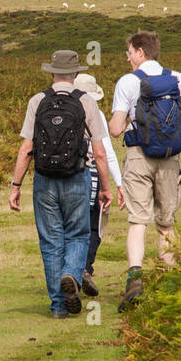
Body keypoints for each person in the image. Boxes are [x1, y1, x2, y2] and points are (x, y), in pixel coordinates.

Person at [9, 50, 112, 318]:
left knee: (51, 241)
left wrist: (15, 185)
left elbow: (26, 148)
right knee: (78, 235)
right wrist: (105, 188)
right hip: (76, 177)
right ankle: (71, 274)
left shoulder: (37, 100)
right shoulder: (87, 101)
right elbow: (100, 153)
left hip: (44, 180)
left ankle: (58, 306)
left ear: (52, 73)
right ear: (76, 74)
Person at [108, 31, 181, 311]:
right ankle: (169, 282)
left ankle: (135, 280)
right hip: (169, 157)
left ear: (140, 52)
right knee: (166, 223)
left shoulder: (127, 82)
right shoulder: (178, 79)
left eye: (129, 52)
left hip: (138, 156)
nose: (127, 57)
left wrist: (127, 117)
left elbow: (115, 129)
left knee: (138, 221)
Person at [72, 72, 123, 298]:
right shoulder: (96, 114)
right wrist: (116, 185)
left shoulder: (62, 107)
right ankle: (84, 268)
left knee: (70, 229)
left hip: (63, 178)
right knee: (94, 227)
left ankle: (69, 273)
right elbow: (106, 154)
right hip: (90, 177)